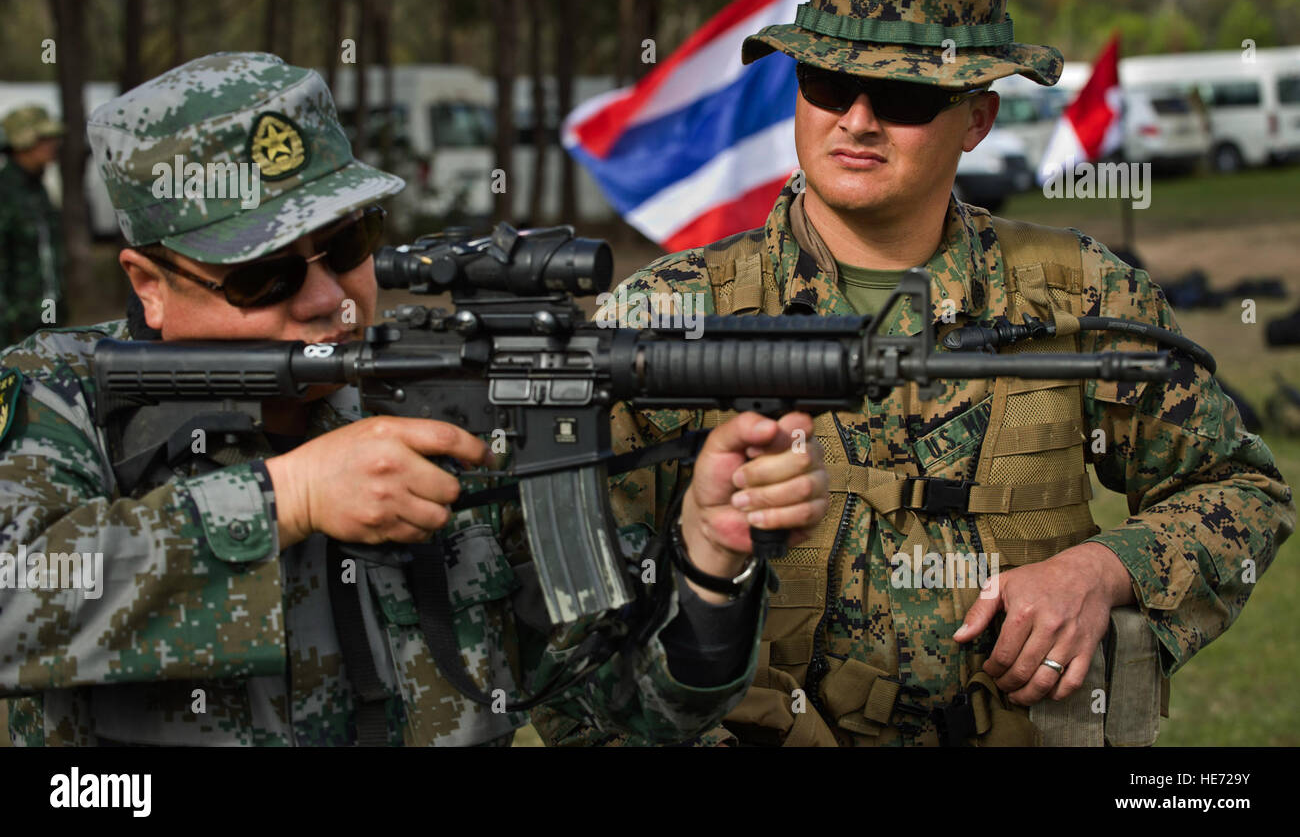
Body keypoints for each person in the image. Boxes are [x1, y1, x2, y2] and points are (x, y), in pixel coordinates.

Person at [537, 0, 1295, 747]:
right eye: (828, 82)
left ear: (976, 119)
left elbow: (1241, 491)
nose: (856, 120)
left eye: (902, 96)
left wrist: (1101, 571)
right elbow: (572, 647)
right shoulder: (668, 317)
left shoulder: (1079, 295)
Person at [0, 51, 828, 746]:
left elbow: (625, 708)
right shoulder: (63, 393)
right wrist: (286, 496)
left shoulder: (441, 398)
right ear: (150, 284)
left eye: (349, 245)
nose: (329, 298)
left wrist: (709, 566)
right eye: (266, 275)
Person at [0, 105, 65, 344]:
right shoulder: (5, 192)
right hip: (14, 326)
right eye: (44, 138)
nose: (53, 144)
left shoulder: (38, 190)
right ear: (22, 142)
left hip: (46, 315)